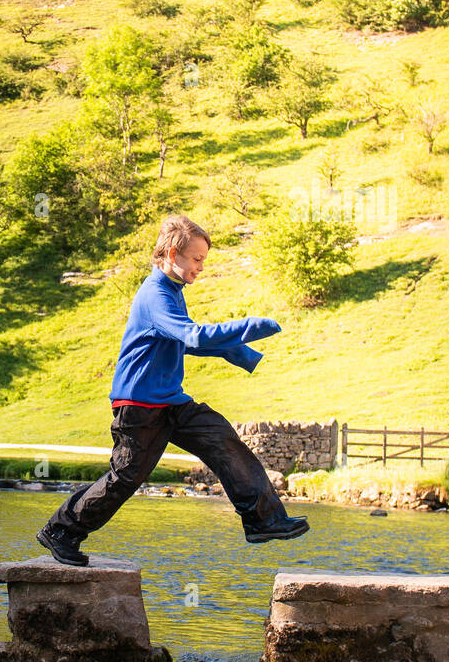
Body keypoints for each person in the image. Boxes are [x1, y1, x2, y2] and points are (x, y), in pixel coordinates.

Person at [36, 214, 309, 566]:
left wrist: (238, 352)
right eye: (196, 259)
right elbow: (192, 335)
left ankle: (265, 521)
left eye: (203, 261)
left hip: (170, 403)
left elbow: (185, 341)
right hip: (138, 406)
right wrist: (246, 327)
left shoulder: (173, 292)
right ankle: (62, 529)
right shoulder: (155, 294)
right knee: (125, 478)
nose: (200, 267)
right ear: (170, 253)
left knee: (223, 440)